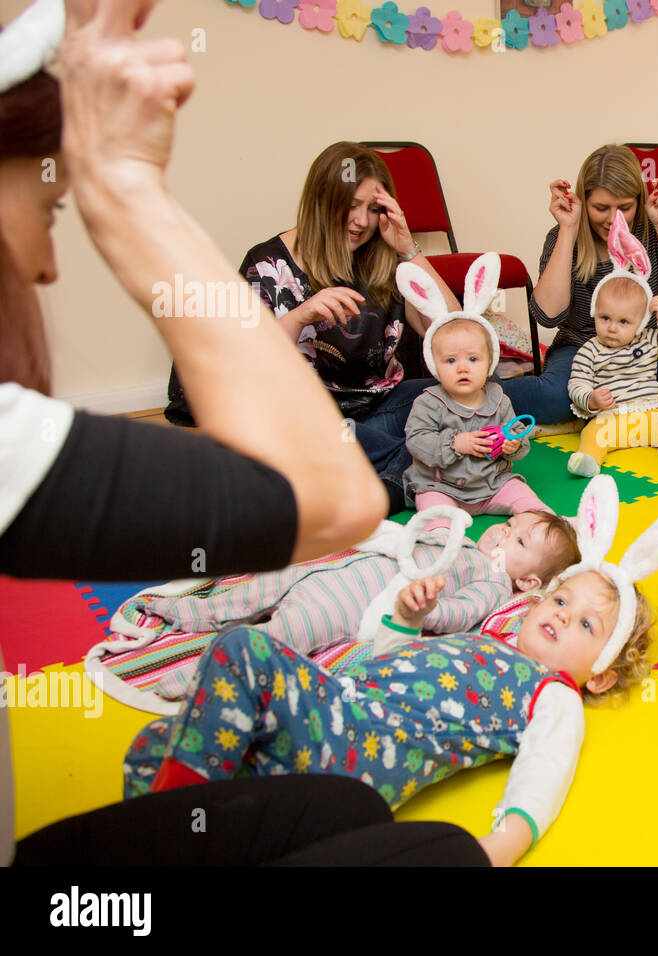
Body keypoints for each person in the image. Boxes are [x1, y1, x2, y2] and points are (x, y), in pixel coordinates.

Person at [1, 0, 484, 867]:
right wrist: (121, 180)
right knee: (443, 851)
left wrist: (407, 256)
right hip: (326, 440)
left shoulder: (382, 260)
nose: (45, 265)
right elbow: (320, 489)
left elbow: (450, 350)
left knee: (344, 803)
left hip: (362, 424)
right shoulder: (273, 258)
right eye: (52, 214)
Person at [123, 476, 658, 867]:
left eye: (587, 627)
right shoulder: (485, 633)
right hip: (331, 708)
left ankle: (182, 825)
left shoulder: (554, 695)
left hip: (359, 750)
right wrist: (403, 618)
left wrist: (503, 842)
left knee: (244, 649)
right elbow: (382, 662)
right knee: (153, 746)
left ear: (598, 675)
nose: (563, 616)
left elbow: (547, 769)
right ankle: (202, 820)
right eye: (561, 601)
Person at [164, 140, 463, 516]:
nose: (361, 222)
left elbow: (454, 334)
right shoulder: (268, 265)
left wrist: (408, 249)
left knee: (462, 397)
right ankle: (404, 477)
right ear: (322, 200)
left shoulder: (383, 257)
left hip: (373, 410)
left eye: (373, 209)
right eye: (351, 205)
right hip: (304, 421)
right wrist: (300, 316)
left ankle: (371, 475)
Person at [104, 509, 581, 702]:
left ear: (530, 579)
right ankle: (189, 614)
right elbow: (409, 534)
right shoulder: (461, 540)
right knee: (261, 586)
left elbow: (463, 612)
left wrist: (426, 610)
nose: (503, 530)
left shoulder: (493, 582)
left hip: (352, 607)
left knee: (281, 635)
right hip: (340, 570)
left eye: (518, 538)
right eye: (511, 523)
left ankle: (200, 675)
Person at [500, 144, 658, 427]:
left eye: (625, 207)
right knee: (551, 396)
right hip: (583, 356)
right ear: (584, 202)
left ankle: (611, 414)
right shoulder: (565, 233)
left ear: (639, 200)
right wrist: (569, 230)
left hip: (643, 357)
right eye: (600, 208)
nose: (612, 219)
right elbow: (548, 315)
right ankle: (639, 414)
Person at [396, 259, 551, 519]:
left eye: (473, 359)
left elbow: (515, 432)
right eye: (450, 361)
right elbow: (416, 441)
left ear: (490, 362)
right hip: (441, 486)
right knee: (433, 509)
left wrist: (513, 444)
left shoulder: (499, 399)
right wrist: (456, 443)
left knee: (523, 495)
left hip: (492, 486)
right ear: (434, 364)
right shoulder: (428, 402)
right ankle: (440, 539)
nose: (462, 368)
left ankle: (548, 524)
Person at [566, 211, 658, 477]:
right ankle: (589, 459)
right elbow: (577, 383)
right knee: (592, 434)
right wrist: (592, 400)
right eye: (605, 317)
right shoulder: (590, 349)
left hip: (652, 413)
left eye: (623, 322)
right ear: (595, 312)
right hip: (613, 417)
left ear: (640, 323)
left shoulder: (649, 341)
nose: (611, 327)